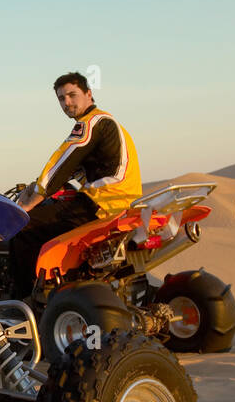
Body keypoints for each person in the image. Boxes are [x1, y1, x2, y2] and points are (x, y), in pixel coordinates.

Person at [8, 71, 142, 300]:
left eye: (72, 95)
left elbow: (62, 162)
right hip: (121, 204)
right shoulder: (108, 124)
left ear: (89, 94)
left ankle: (21, 301)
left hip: (100, 203)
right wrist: (37, 185)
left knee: (21, 228)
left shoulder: (91, 123)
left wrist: (31, 200)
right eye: (61, 98)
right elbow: (75, 169)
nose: (67, 102)